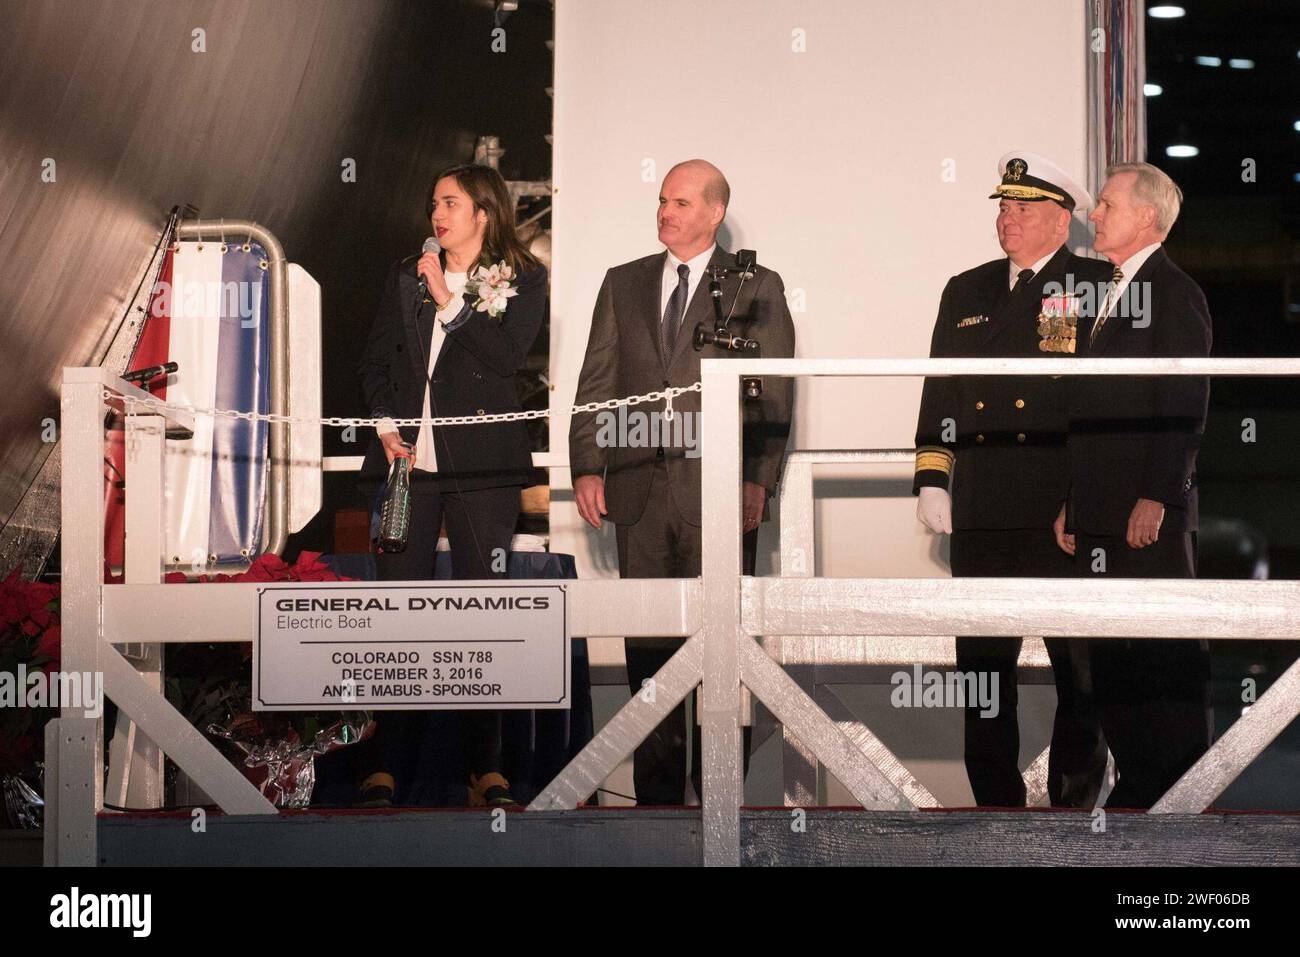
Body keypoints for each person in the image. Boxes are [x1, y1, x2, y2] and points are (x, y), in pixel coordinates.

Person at [568, 159, 795, 805]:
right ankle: (658, 808)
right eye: (662, 200)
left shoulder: (758, 284)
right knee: (650, 660)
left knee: (724, 658)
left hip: (720, 496)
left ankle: (721, 799)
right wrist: (588, 462)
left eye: (682, 202)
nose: (666, 212)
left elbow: (773, 393)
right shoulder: (623, 282)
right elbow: (596, 382)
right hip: (637, 494)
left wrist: (757, 481)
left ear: (715, 213)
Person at [913, 152, 1111, 808]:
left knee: (1080, 673)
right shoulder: (965, 290)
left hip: (1061, 508)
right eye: (1003, 206)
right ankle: (995, 812)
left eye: (1023, 208)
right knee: (983, 675)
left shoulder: (1097, 283)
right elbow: (941, 390)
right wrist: (933, 477)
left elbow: (1107, 404)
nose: (1008, 218)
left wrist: (1087, 497)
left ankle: (1072, 812)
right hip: (985, 505)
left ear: (1062, 219)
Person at [355, 163, 548, 808]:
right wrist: (384, 428)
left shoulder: (524, 280)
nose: (436, 215)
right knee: (395, 619)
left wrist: (450, 301)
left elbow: (506, 359)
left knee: (480, 614)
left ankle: (485, 767)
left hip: (484, 472)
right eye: (433, 202)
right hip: (405, 468)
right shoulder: (401, 276)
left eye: (450, 202)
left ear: (483, 213)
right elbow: (376, 361)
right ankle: (386, 766)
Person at [1054, 161, 1213, 809]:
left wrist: (1158, 493)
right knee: (1107, 663)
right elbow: (1087, 409)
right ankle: (1139, 797)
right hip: (1097, 513)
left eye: (1106, 204)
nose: (1093, 214)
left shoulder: (1173, 293)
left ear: (1147, 217)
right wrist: (1073, 499)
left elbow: (1185, 397)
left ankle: (1174, 799)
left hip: (1144, 516)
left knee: (1157, 658)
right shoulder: (1108, 290)